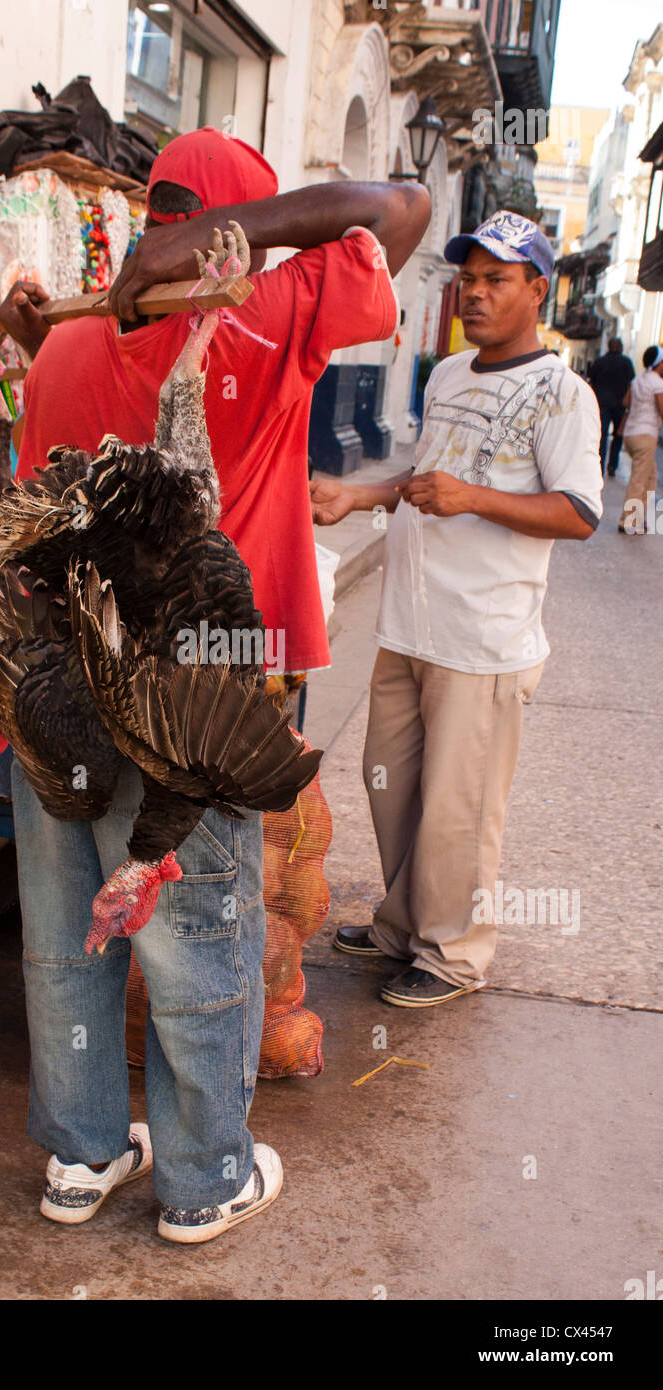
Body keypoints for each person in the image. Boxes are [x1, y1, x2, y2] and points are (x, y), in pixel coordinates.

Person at [0, 127, 431, 1239]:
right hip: (195, 691)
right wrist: (235, 241)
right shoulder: (263, 312)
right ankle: (202, 1178)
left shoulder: (61, 351)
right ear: (232, 234)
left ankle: (81, 1157)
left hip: (55, 684)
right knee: (197, 933)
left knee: (64, 934)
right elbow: (401, 208)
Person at [311, 209, 603, 1007]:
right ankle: (404, 926)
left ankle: (455, 954)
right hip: (410, 624)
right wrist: (358, 495)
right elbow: (424, 483)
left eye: (495, 280)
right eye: (467, 279)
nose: (473, 294)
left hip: (485, 637)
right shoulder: (445, 374)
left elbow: (579, 512)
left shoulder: (561, 394)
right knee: (393, 788)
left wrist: (474, 497)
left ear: (537, 291)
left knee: (458, 811)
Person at [618, 344, 663, 534]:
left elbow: (626, 402)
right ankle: (628, 521)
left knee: (651, 477)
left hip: (631, 434)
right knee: (638, 480)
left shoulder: (637, 380)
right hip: (646, 435)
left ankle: (640, 517)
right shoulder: (657, 383)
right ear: (660, 363)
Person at [588, 337, 635, 476]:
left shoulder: (599, 361)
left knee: (601, 437)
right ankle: (612, 465)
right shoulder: (626, 362)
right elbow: (631, 384)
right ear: (620, 347)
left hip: (602, 404)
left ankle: (600, 466)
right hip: (619, 405)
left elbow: (591, 381)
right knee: (618, 436)